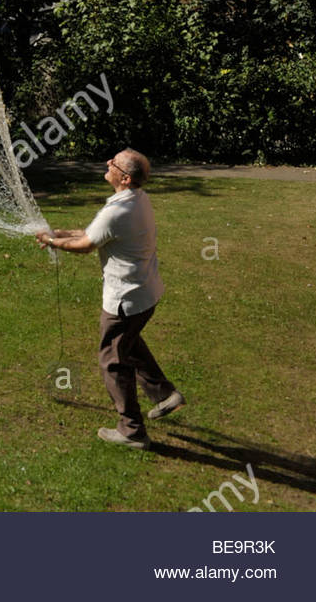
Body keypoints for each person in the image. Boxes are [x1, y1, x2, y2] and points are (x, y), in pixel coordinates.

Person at [36, 148, 185, 448]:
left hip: (125, 299)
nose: (108, 163)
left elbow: (86, 246)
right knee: (128, 345)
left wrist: (53, 242)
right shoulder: (137, 200)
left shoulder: (117, 211)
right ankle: (165, 394)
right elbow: (97, 234)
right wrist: (62, 232)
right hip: (146, 294)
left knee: (113, 360)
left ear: (126, 178)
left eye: (113, 163)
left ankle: (132, 431)